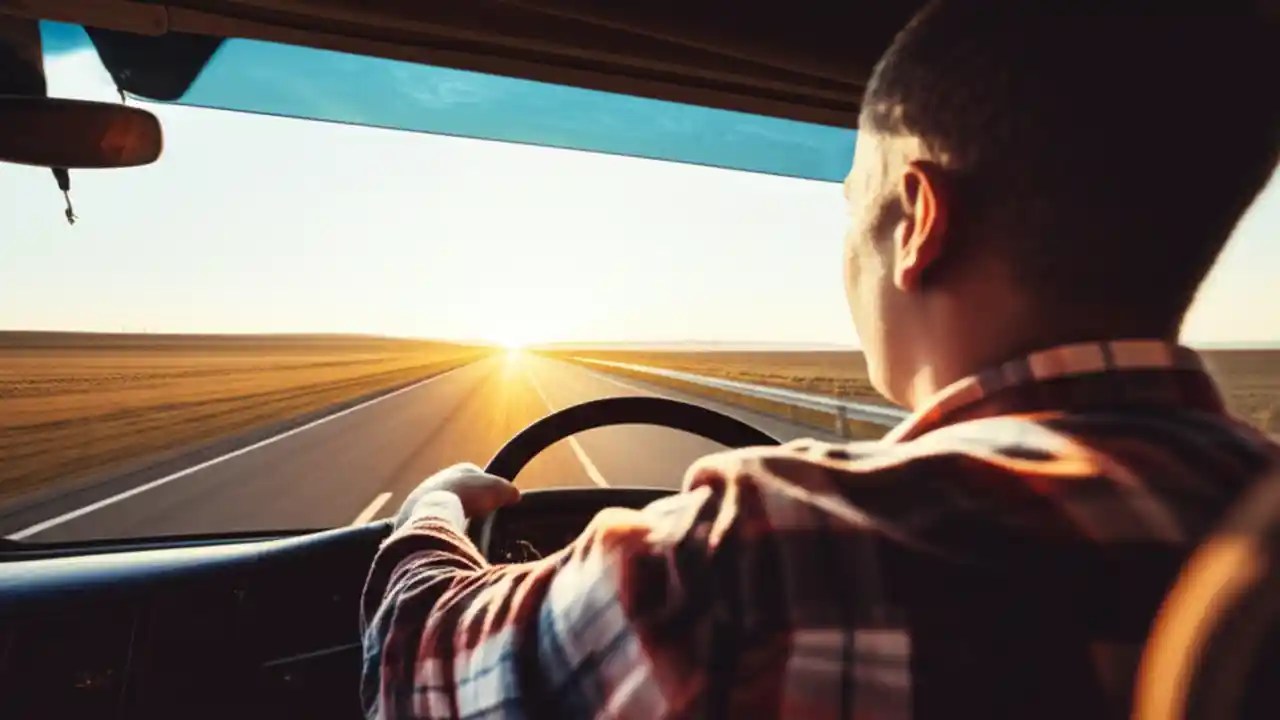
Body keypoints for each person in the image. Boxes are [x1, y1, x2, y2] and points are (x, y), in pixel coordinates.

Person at [360, 3, 1279, 718]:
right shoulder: (1253, 528)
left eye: (852, 207)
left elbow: (424, 667)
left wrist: (430, 514)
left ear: (917, 222)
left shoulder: (770, 551)